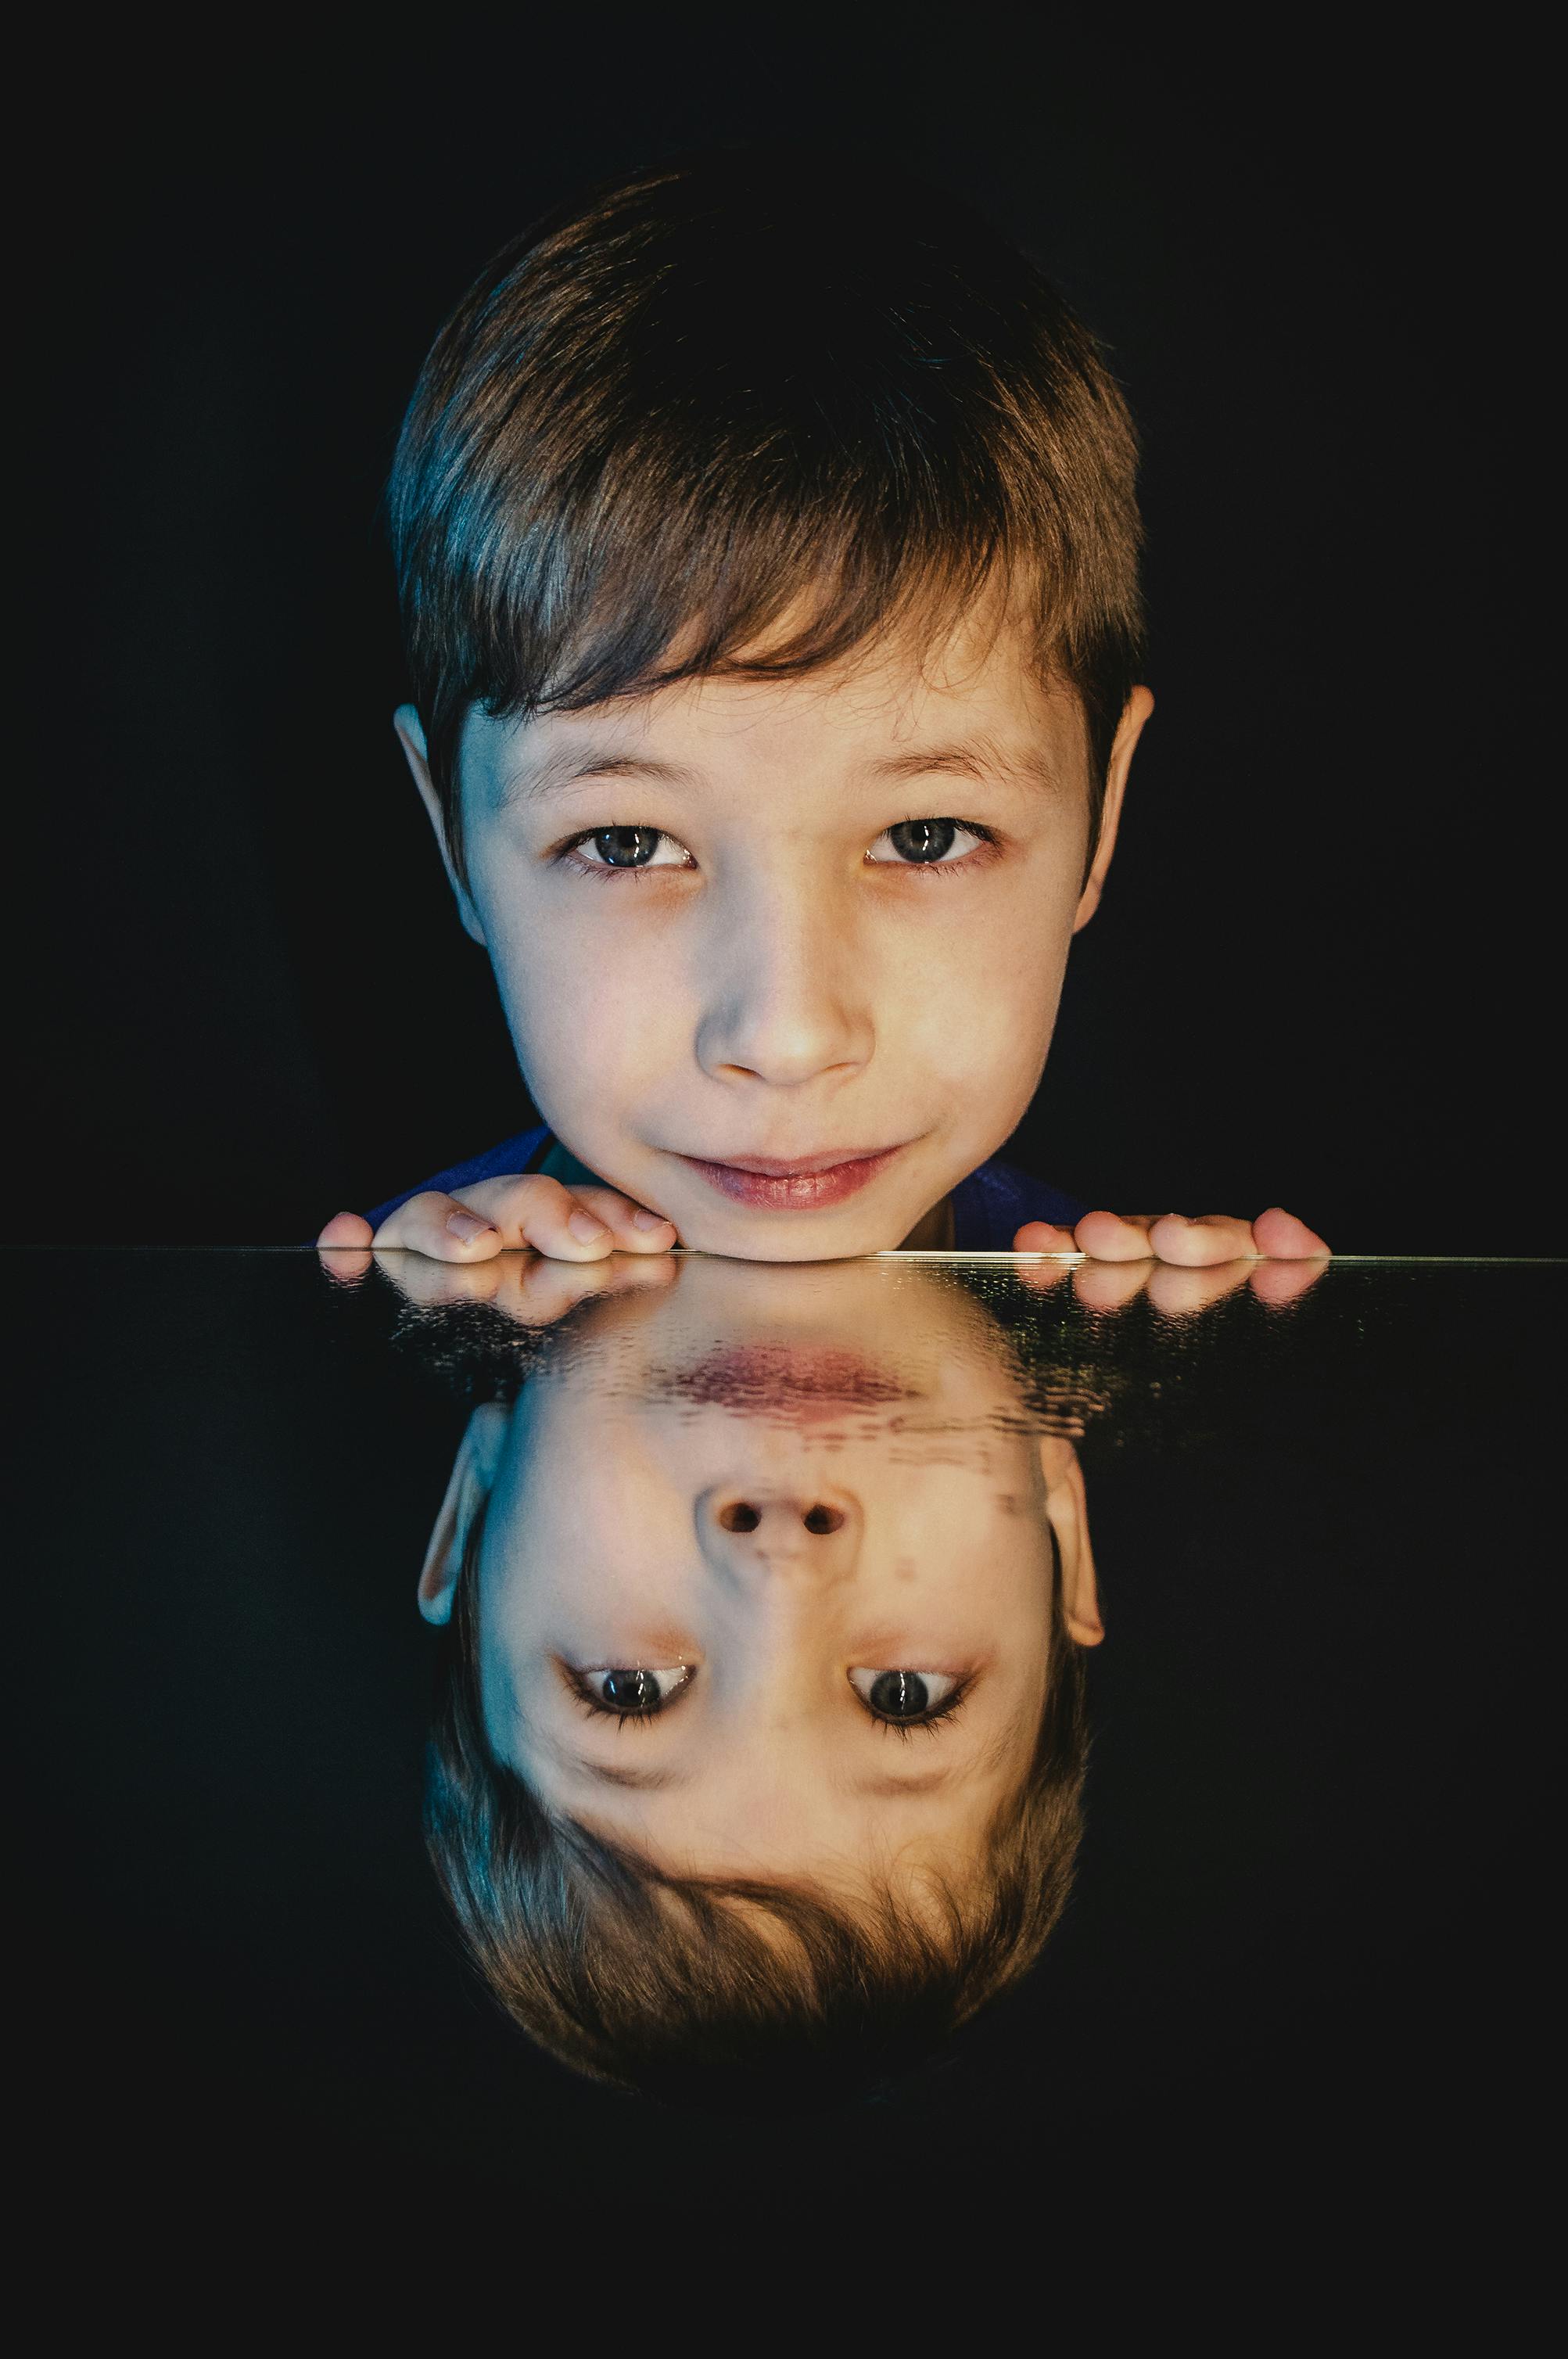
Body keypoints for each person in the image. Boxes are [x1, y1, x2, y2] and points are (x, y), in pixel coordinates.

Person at [319, 147, 1327, 1271]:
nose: (788, 1039)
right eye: (627, 842)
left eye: (924, 836)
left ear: (1100, 813)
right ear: (453, 837)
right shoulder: (399, 1328)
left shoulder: (1113, 1351)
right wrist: (455, 1387)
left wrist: (1169, 1418)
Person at [415, 1251, 1103, 2099]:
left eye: (629, 1687)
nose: (781, 1567)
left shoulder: (399, 1237)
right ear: (1062, 1534)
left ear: (468, 1517)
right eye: (902, 1694)